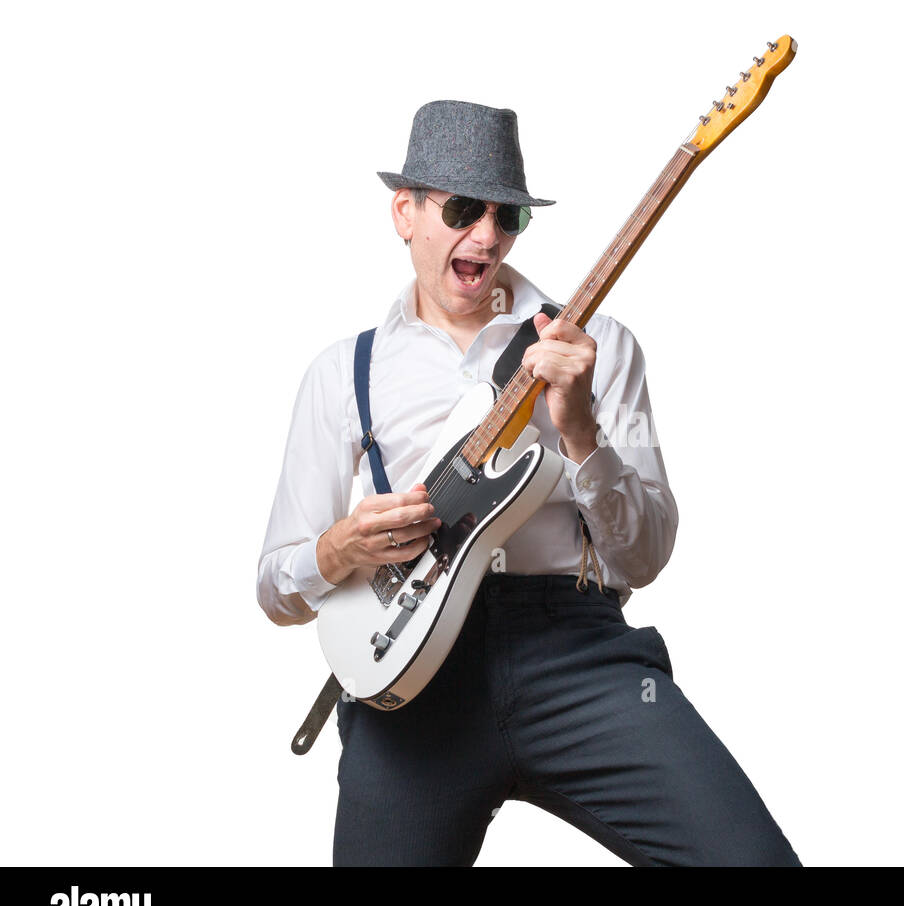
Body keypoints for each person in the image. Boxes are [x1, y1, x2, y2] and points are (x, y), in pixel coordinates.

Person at [257, 100, 800, 866]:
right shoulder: (344, 373)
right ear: (404, 213)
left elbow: (644, 559)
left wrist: (580, 428)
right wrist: (342, 546)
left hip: (579, 655)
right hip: (412, 676)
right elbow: (276, 587)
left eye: (507, 215)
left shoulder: (597, 345)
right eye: (462, 209)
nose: (486, 235)